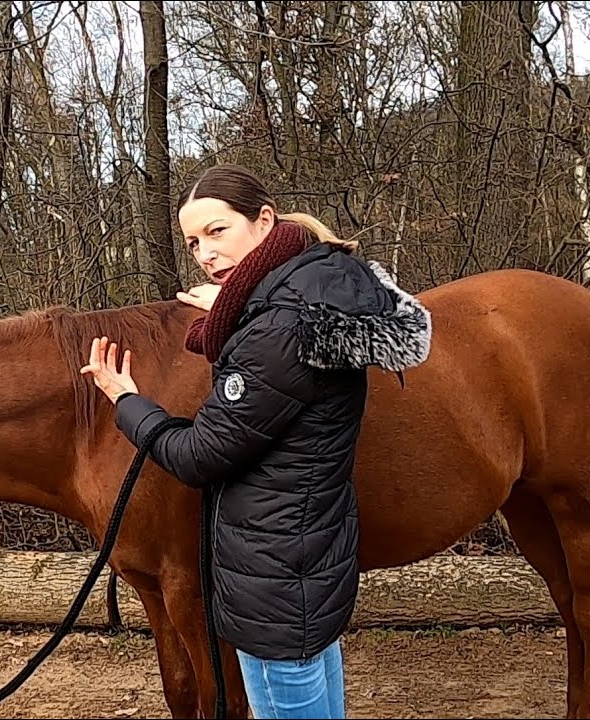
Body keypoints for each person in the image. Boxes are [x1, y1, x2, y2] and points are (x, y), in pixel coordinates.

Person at [79, 164, 432, 719]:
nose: (204, 253)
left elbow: (199, 455)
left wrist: (127, 401)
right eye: (193, 242)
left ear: (264, 221)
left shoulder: (277, 328)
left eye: (217, 232)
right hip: (308, 564)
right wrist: (233, 311)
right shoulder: (309, 293)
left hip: (274, 587)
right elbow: (274, 402)